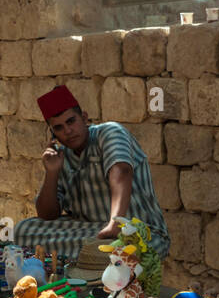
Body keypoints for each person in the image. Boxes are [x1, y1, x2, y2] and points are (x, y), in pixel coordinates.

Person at [14, 84, 171, 260]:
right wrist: (52, 173)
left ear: (84, 118)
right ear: (53, 133)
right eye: (58, 128)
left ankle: (90, 256)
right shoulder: (61, 156)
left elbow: (121, 172)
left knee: (125, 246)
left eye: (71, 121)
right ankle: (89, 257)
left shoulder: (110, 132)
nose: (67, 131)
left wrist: (115, 222)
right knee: (23, 229)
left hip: (135, 229)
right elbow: (47, 215)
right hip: (89, 230)